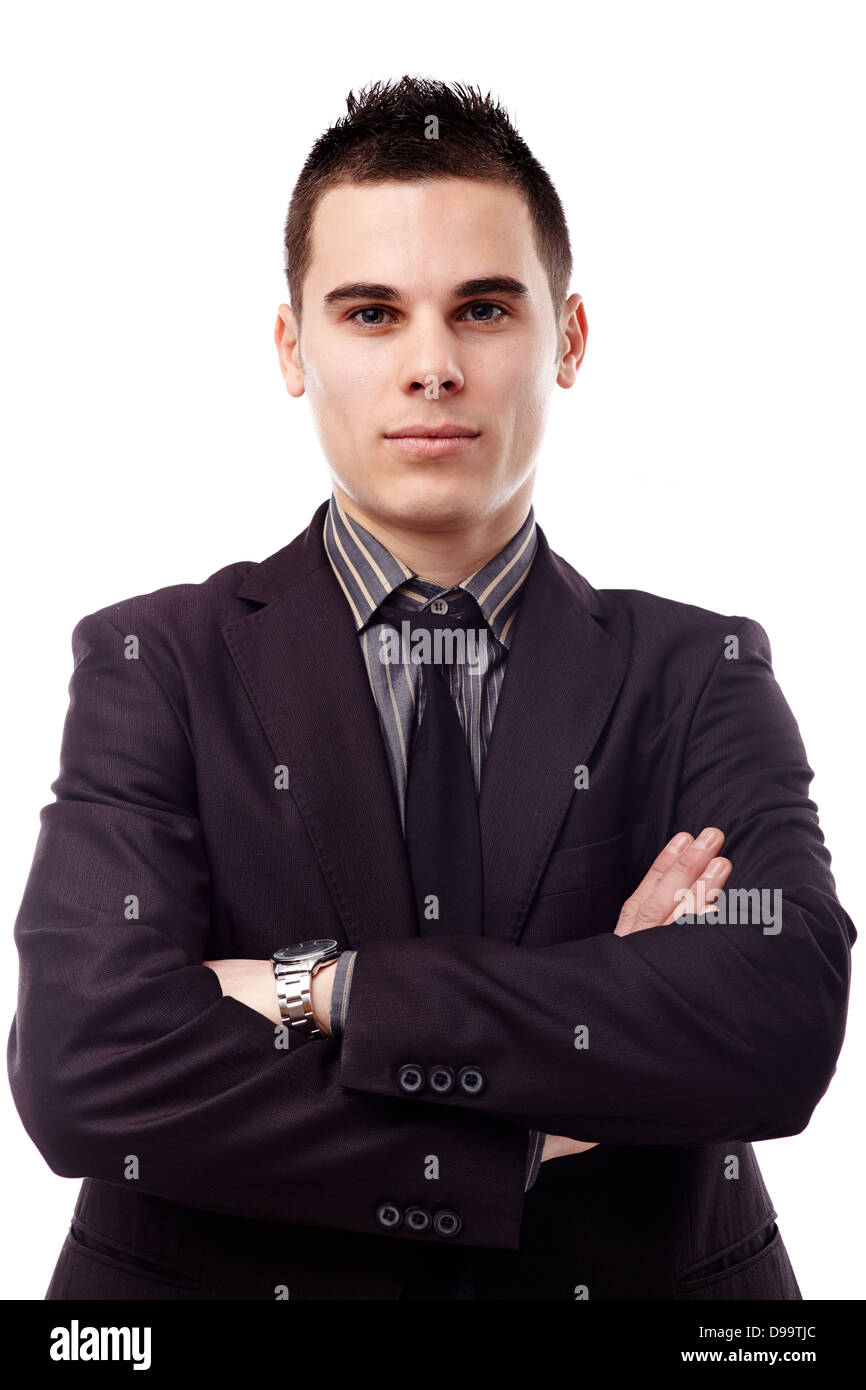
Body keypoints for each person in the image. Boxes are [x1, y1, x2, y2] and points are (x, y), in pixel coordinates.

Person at [8, 76, 855, 1301]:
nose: (431, 366)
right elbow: (87, 1065)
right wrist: (554, 1089)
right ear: (293, 348)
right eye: (369, 312)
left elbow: (776, 1016)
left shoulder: (695, 672)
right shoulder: (156, 663)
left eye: (482, 308)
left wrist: (321, 989)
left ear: (565, 336)